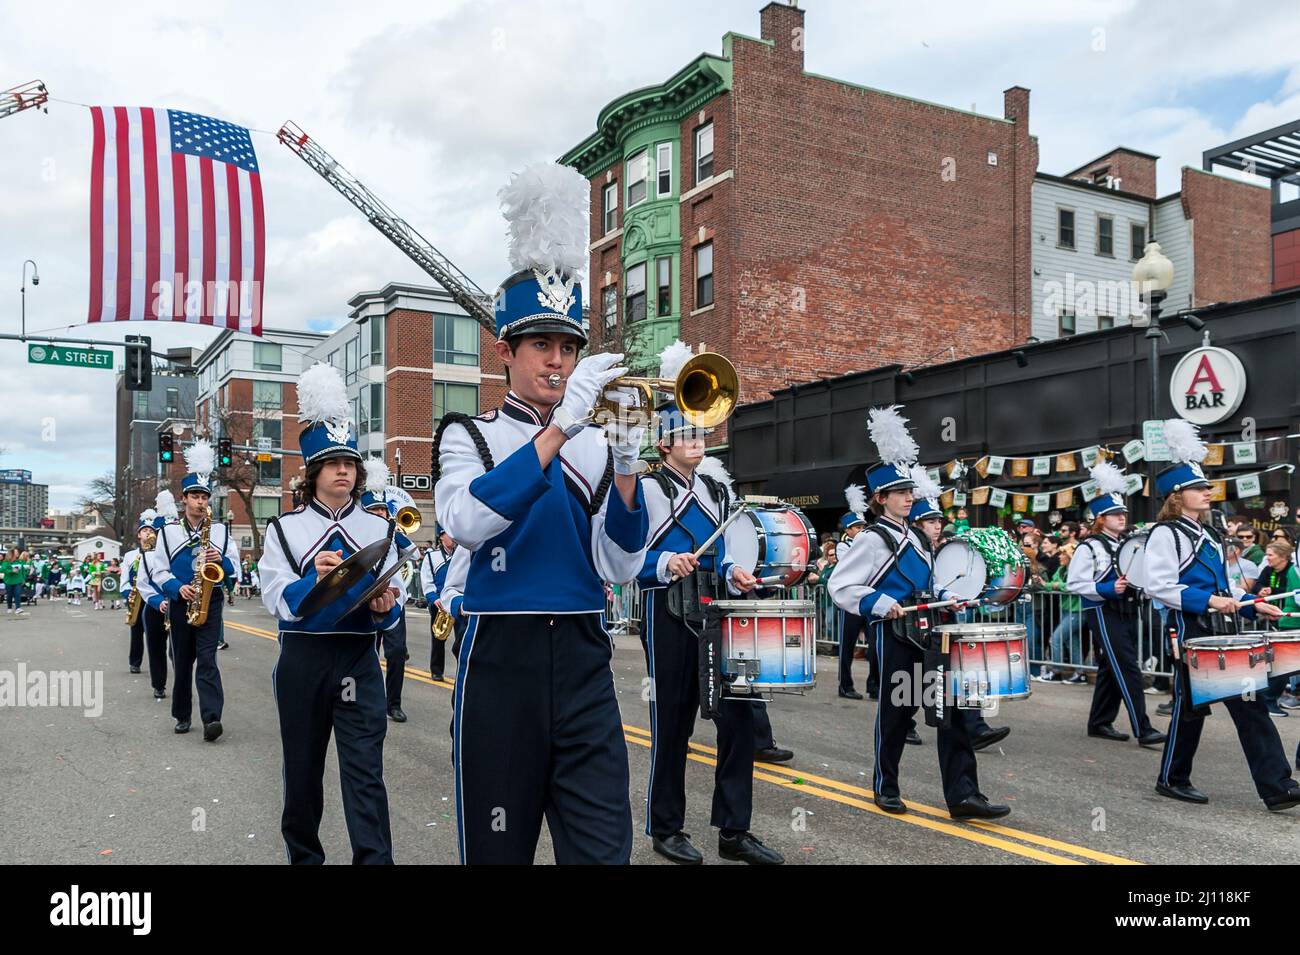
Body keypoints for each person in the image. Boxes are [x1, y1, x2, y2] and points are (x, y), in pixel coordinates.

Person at [433, 162, 650, 865]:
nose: (557, 362)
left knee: (602, 852)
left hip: (584, 659)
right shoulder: (467, 434)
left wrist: (623, 464)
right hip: (502, 661)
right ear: (505, 349)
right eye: (541, 346)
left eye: (567, 347)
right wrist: (560, 431)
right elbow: (467, 520)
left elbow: (621, 564)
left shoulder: (594, 442)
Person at [635, 354, 781, 866]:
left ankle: (734, 831)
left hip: (718, 609)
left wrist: (737, 569)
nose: (696, 437)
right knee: (672, 724)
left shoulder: (719, 489)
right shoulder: (649, 488)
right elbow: (626, 555)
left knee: (739, 720)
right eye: (684, 432)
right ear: (663, 443)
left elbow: (729, 547)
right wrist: (662, 561)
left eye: (699, 430)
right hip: (669, 611)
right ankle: (665, 826)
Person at [828, 406, 1009, 820]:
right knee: (896, 716)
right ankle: (885, 785)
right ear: (881, 498)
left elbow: (927, 583)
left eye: (911, 491)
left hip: (932, 632)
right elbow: (839, 586)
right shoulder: (873, 540)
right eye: (901, 492)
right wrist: (877, 602)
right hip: (895, 636)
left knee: (955, 712)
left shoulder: (917, 538)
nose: (910, 497)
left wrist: (951, 595)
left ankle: (964, 796)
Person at [259, 362, 407, 864]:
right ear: (313, 472)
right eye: (332, 463)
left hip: (359, 661)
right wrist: (312, 582)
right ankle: (305, 859)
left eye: (349, 463)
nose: (343, 470)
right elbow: (274, 593)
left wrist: (386, 605)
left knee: (365, 774)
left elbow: (396, 595)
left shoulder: (377, 528)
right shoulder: (284, 528)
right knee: (302, 774)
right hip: (303, 659)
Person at [1146, 420, 1300, 811]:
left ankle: (1276, 786)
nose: (1208, 492)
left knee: (1244, 705)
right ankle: (1173, 778)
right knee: (1196, 709)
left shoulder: (1209, 535)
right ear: (1178, 497)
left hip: (1218, 631)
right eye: (1199, 488)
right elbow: (1158, 586)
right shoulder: (1167, 534)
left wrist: (1250, 602)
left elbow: (1222, 586)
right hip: (1189, 629)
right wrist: (1212, 602)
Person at [138, 440, 237, 740]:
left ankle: (211, 718)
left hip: (211, 599)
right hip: (182, 600)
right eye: (195, 496)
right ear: (184, 499)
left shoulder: (219, 530)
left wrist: (224, 563)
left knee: (208, 660)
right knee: (183, 661)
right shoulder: (167, 533)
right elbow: (159, 570)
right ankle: (182, 714)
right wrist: (178, 588)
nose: (200, 502)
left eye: (204, 497)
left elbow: (235, 565)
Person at [1066, 464, 1165, 748]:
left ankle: (1099, 722)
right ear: (1100, 518)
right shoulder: (1089, 547)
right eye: (1114, 514)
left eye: (1123, 513)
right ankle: (1143, 729)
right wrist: (1107, 588)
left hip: (1126, 609)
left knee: (1111, 667)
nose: (1122, 517)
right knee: (1127, 667)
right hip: (1102, 611)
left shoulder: (1125, 543)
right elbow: (1074, 583)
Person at [909, 483, 1010, 753]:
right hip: (918, 624)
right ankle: (904, 721)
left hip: (943, 621)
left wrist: (958, 598)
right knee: (918, 675)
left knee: (962, 670)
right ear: (916, 524)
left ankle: (976, 727)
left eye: (938, 520)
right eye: (931, 521)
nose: (937, 525)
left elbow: (938, 585)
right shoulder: (913, 551)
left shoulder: (934, 551)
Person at [359, 459, 412, 722]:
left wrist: (395, 529)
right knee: (368, 656)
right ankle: (371, 700)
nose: (379, 513)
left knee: (396, 654)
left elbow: (413, 553)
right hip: (367, 603)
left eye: (382, 509)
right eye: (374, 510)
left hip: (395, 603)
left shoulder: (393, 532)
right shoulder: (357, 536)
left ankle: (394, 703)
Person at [834, 496, 876, 701]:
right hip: (850, 603)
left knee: (876, 645)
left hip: (867, 599)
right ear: (848, 531)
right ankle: (845, 684)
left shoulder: (869, 545)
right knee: (847, 646)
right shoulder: (843, 547)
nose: (861, 530)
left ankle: (874, 685)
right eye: (856, 527)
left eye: (863, 526)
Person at [1251, 540, 1300, 714]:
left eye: (1270, 554)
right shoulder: (1295, 571)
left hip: (1292, 621)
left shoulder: (1292, 568)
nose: (1267, 558)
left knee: (1287, 666)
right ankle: (1267, 700)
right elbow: (1297, 597)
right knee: (1285, 667)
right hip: (1293, 623)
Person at [120, 512, 157, 676]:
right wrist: (128, 593)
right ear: (139, 534)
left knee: (156, 633)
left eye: (151, 530)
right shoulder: (130, 556)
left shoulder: (159, 554)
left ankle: (158, 664)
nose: (148, 533)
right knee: (137, 632)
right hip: (136, 596)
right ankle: (134, 662)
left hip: (154, 597)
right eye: (145, 530)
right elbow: (124, 580)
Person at [419, 526, 458, 682]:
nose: (453, 538)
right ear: (441, 537)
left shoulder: (461, 554)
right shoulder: (432, 556)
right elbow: (426, 579)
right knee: (438, 638)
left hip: (457, 602)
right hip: (440, 604)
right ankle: (437, 670)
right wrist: (434, 598)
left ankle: (462, 670)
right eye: (449, 534)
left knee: (462, 638)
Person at [3, 548, 28, 615]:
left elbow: (22, 571)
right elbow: (3, 570)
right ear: (12, 553)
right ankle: (9, 607)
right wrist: (11, 571)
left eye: (17, 552)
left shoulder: (19, 562)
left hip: (18, 581)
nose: (18, 553)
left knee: (17, 594)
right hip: (9, 581)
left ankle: (18, 608)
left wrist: (23, 579)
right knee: (10, 595)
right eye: (16, 552)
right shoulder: (6, 562)